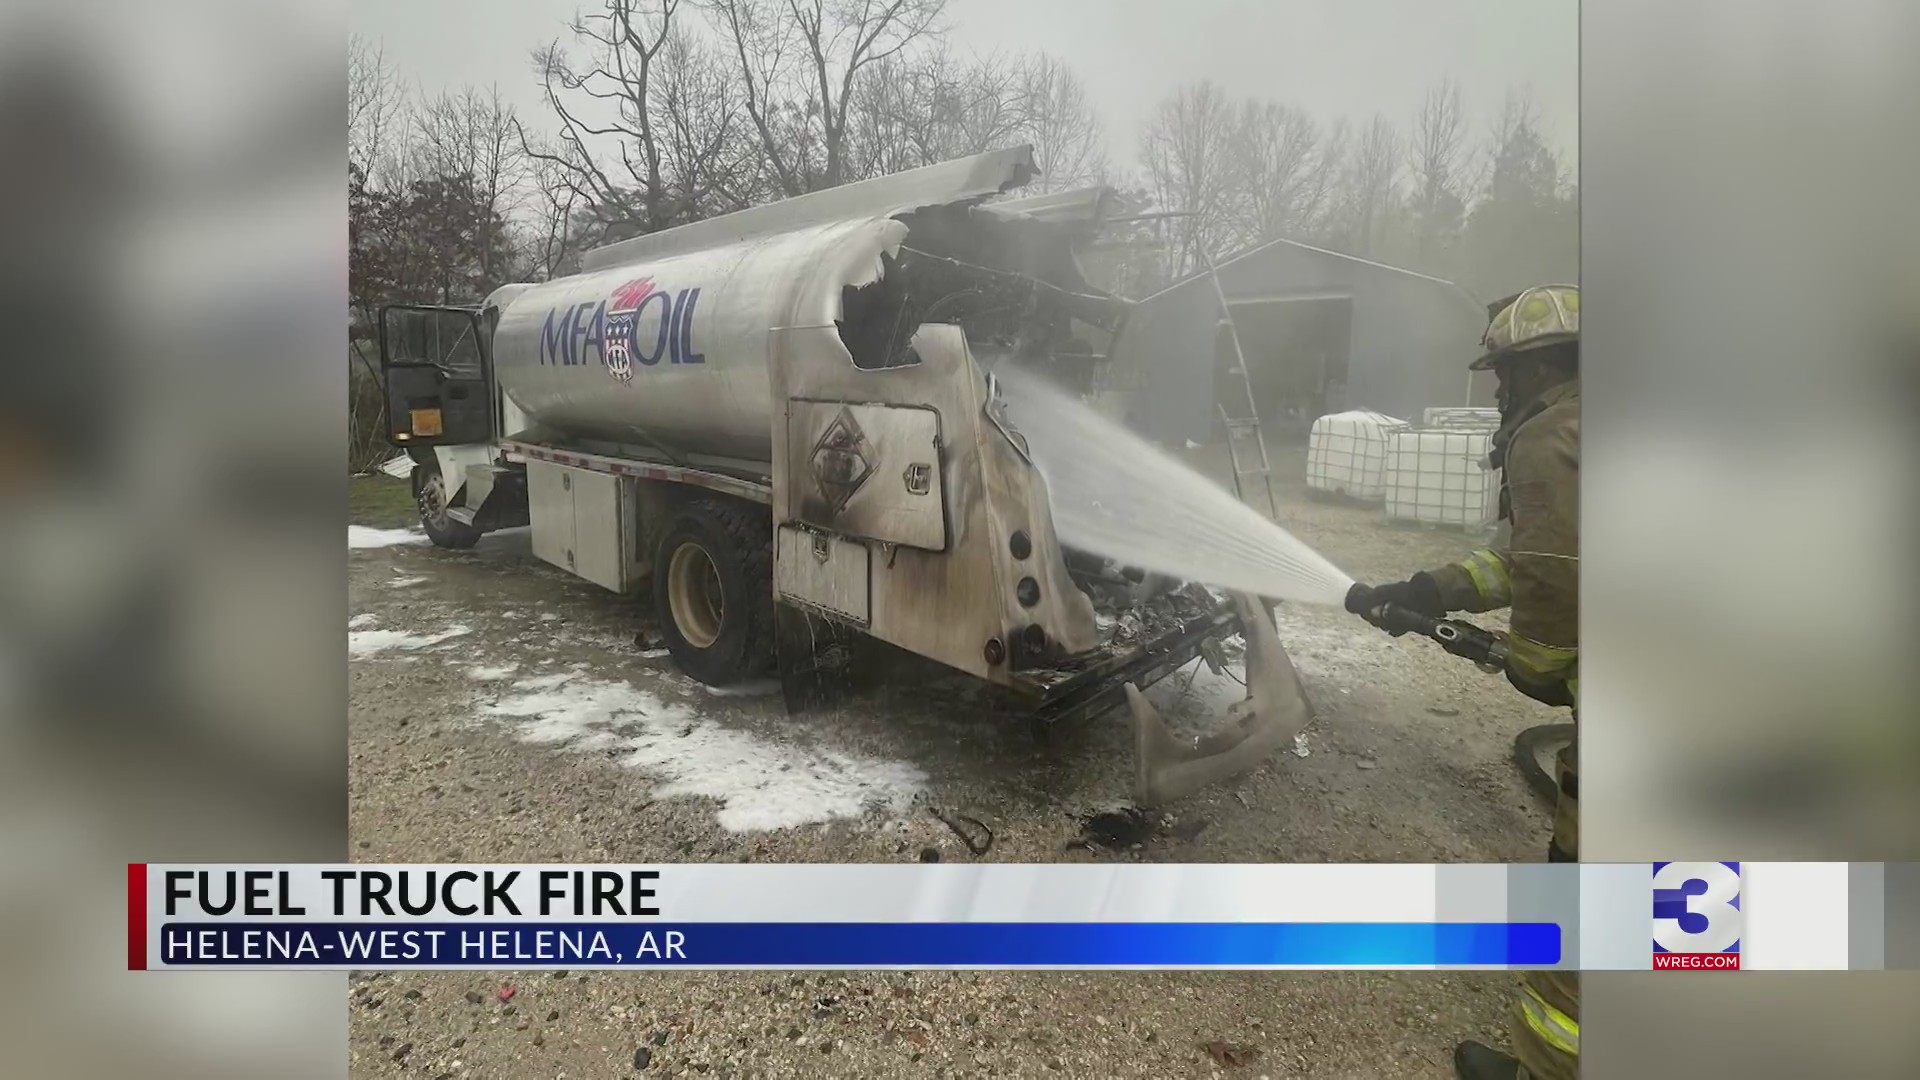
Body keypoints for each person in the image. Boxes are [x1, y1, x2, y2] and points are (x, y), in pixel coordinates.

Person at [1345, 284, 1581, 1080]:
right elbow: (1526, 560)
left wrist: (1535, 669)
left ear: (1541, 363)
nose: (1496, 387)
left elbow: (1552, 576)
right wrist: (1434, 589)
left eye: (1504, 371)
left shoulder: (1552, 434)